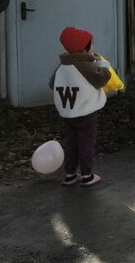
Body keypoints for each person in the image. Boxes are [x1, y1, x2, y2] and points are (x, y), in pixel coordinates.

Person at [50, 26, 111, 187]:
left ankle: (69, 174)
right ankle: (87, 175)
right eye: (92, 45)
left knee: (72, 142)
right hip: (86, 113)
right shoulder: (85, 66)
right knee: (86, 143)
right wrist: (102, 63)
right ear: (84, 49)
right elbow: (102, 79)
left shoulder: (62, 66)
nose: (94, 49)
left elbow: (52, 84)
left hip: (68, 112)